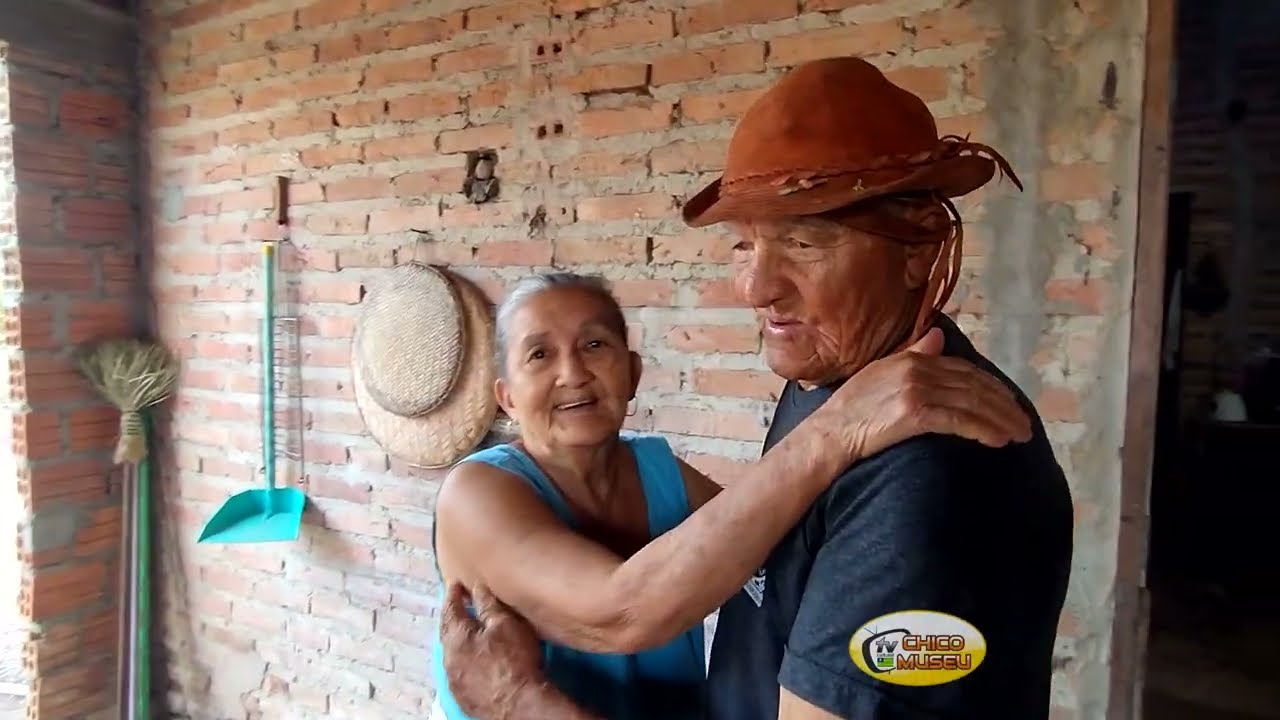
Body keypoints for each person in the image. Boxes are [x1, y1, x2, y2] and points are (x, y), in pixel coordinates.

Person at [436, 56, 1076, 720]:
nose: (755, 287)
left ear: (917, 250)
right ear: (504, 394)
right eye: (745, 246)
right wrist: (836, 429)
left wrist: (517, 702)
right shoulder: (831, 387)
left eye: (802, 242)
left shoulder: (924, 470)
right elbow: (715, 570)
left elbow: (642, 604)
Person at [429, 269, 1034, 720]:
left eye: (595, 345)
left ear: (632, 374)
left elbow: (771, 547)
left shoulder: (658, 472)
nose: (573, 373)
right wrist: (840, 427)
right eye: (540, 354)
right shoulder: (478, 493)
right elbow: (620, 611)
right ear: (507, 397)